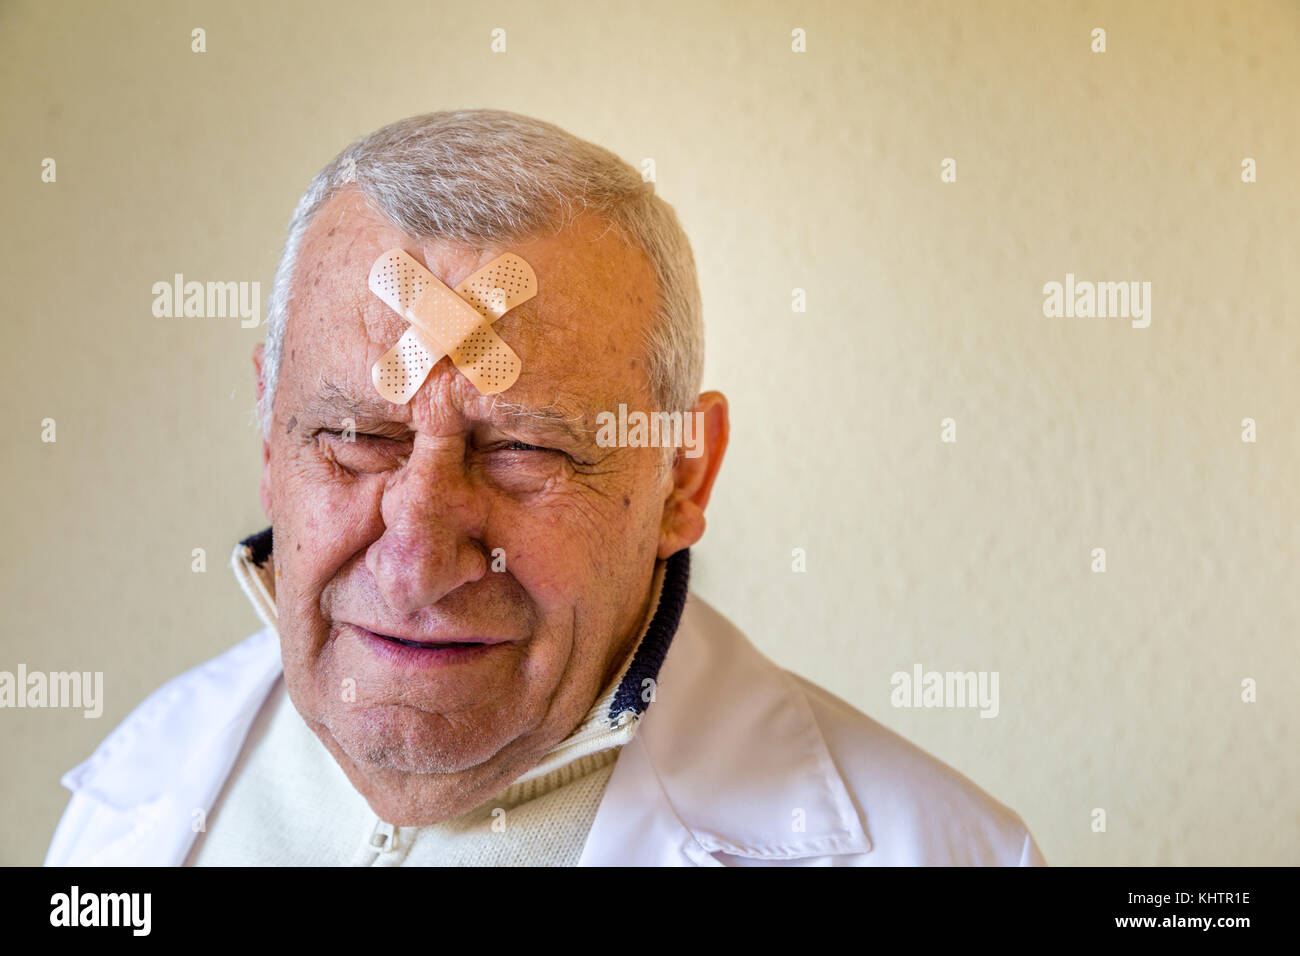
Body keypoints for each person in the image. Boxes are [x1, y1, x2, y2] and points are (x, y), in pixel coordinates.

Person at [45, 110, 1045, 866]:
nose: (418, 560)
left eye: (523, 448)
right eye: (354, 436)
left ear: (681, 475)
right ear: (270, 431)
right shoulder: (138, 794)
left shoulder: (939, 850)